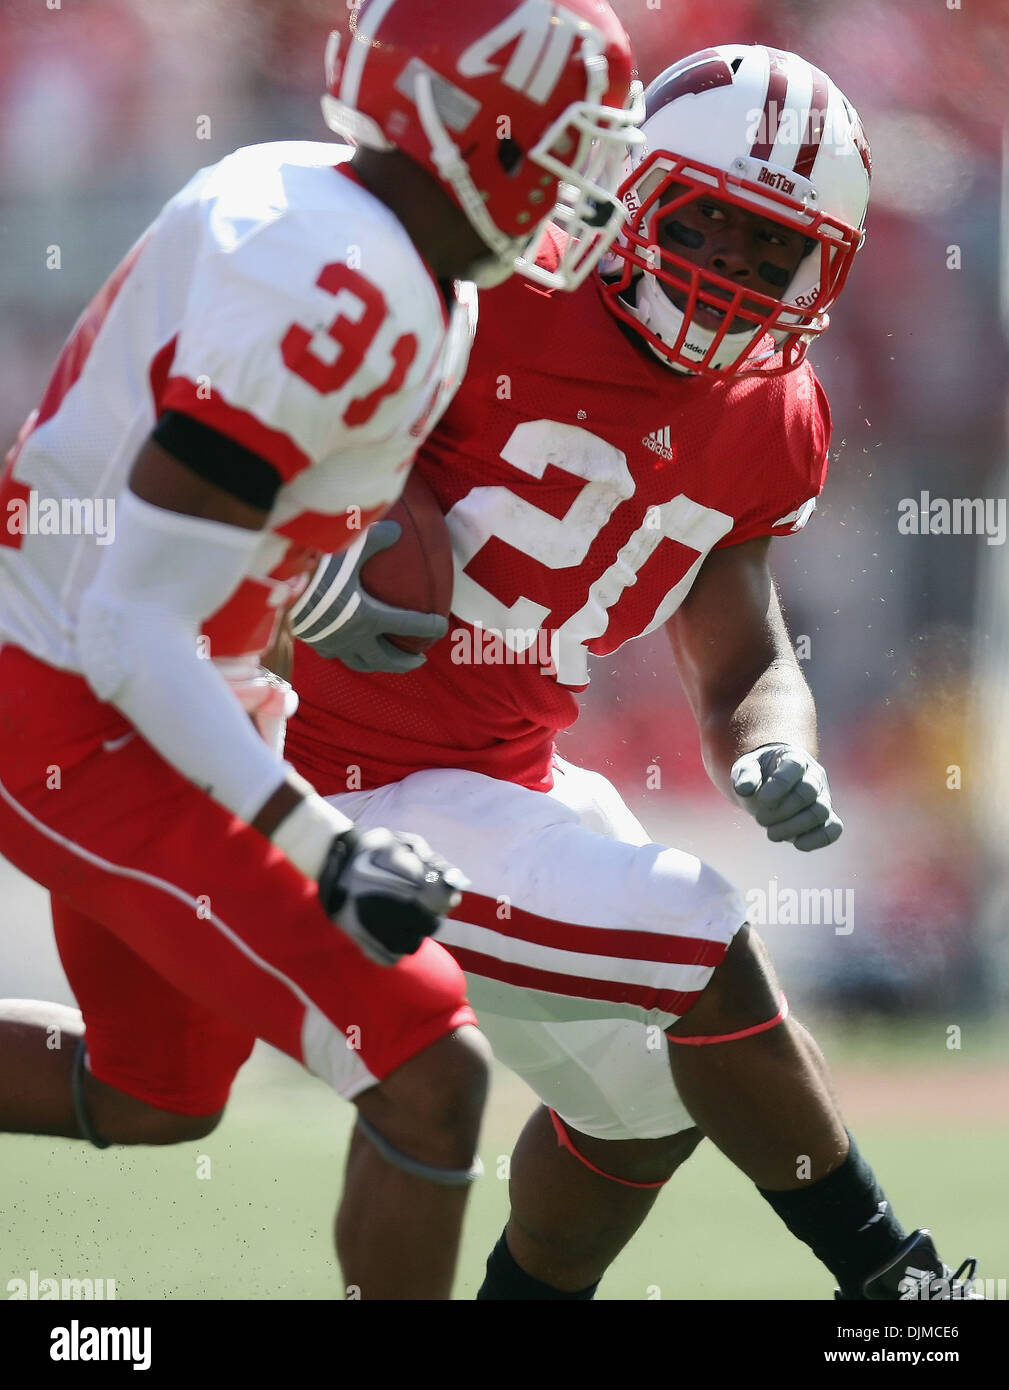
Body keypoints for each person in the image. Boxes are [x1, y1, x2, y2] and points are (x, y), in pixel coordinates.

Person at [285, 44, 978, 1300]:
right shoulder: (481, 281)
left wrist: (775, 743)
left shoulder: (775, 413)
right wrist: (305, 566)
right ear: (626, 188)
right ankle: (903, 1296)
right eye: (712, 224)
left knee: (649, 1102)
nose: (734, 278)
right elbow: (242, 453)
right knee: (694, 928)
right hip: (320, 772)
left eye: (777, 254)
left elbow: (742, 648)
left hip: (495, 776)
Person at [0, 0, 641, 1300]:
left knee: (156, 1095)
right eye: (564, 150)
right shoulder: (339, 279)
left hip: (149, 679)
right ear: (477, 134)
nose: (580, 191)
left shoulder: (327, 211)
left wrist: (301, 580)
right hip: (76, 699)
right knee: (430, 1067)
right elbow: (129, 621)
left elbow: (205, 511)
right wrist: (323, 842)